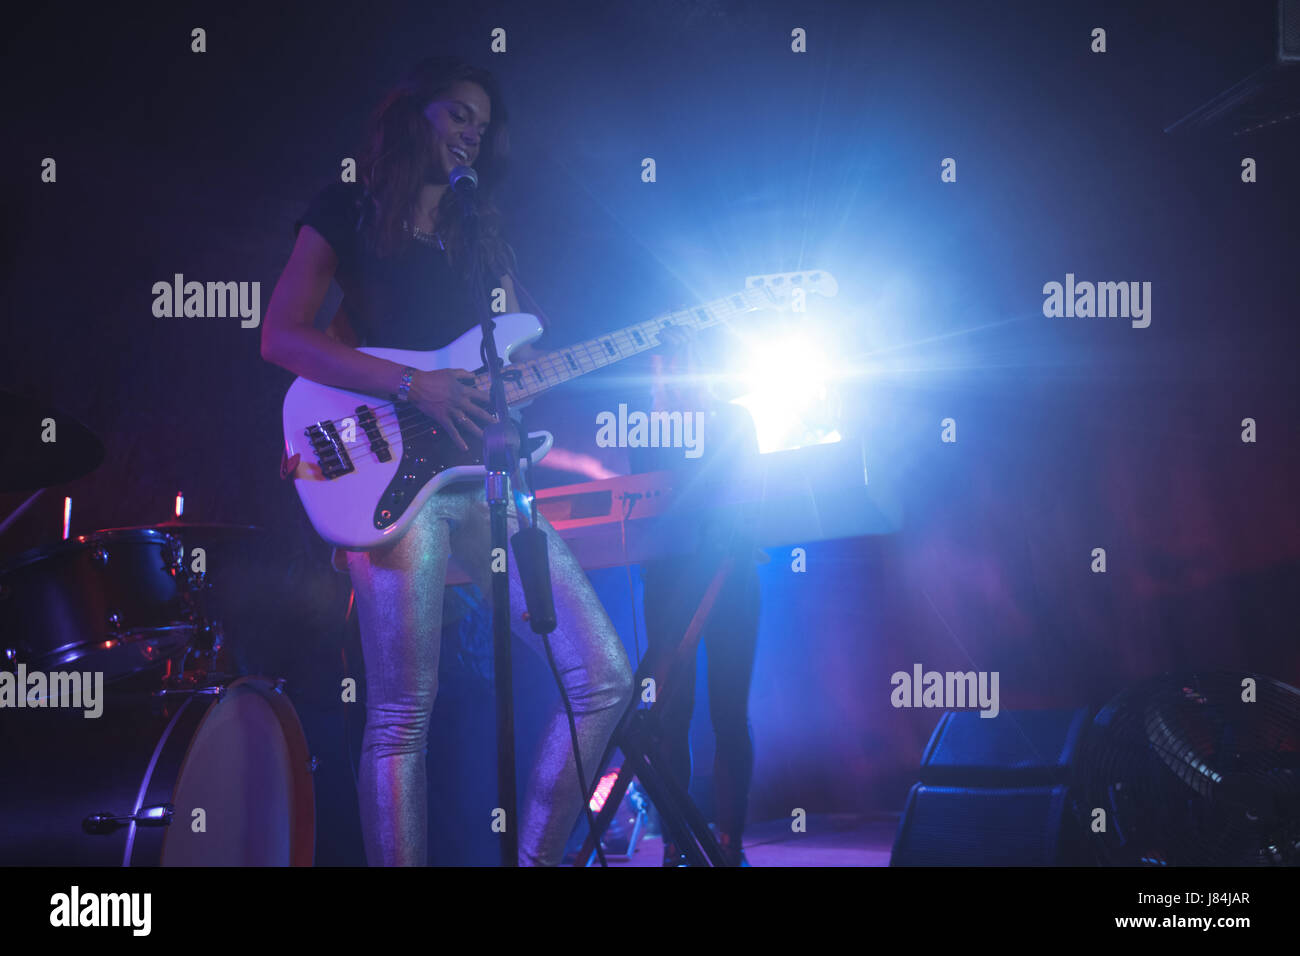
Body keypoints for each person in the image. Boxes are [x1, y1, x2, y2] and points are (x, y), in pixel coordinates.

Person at [261, 56, 633, 866]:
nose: (472, 133)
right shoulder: (347, 210)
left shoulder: (476, 231)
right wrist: (411, 383)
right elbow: (282, 334)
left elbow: (509, 353)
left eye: (481, 123)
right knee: (401, 716)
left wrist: (512, 391)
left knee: (604, 676)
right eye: (458, 114)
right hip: (389, 475)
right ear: (414, 113)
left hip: (484, 478)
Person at [632, 325, 762, 867]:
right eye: (663, 360)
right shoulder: (646, 428)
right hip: (668, 579)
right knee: (669, 714)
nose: (671, 368)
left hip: (730, 577)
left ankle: (728, 844)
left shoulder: (734, 419)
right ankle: (677, 844)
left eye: (681, 357)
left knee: (728, 711)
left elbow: (747, 496)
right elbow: (640, 506)